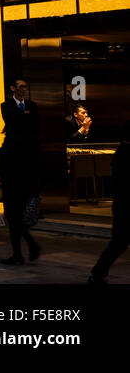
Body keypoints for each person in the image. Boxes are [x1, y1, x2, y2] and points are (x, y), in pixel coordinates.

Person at [0, 79, 43, 265]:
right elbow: (16, 121)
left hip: (25, 173)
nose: (24, 89)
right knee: (13, 216)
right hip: (13, 175)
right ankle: (26, 248)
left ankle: (23, 251)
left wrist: (21, 121)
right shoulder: (6, 105)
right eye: (21, 86)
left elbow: (34, 125)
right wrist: (24, 120)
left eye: (26, 86)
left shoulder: (32, 105)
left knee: (15, 216)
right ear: (12, 88)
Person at [89, 120, 130, 284]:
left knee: (118, 243)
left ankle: (98, 273)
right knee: (119, 243)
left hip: (122, 203)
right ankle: (98, 273)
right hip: (125, 204)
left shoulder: (122, 152)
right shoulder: (126, 154)